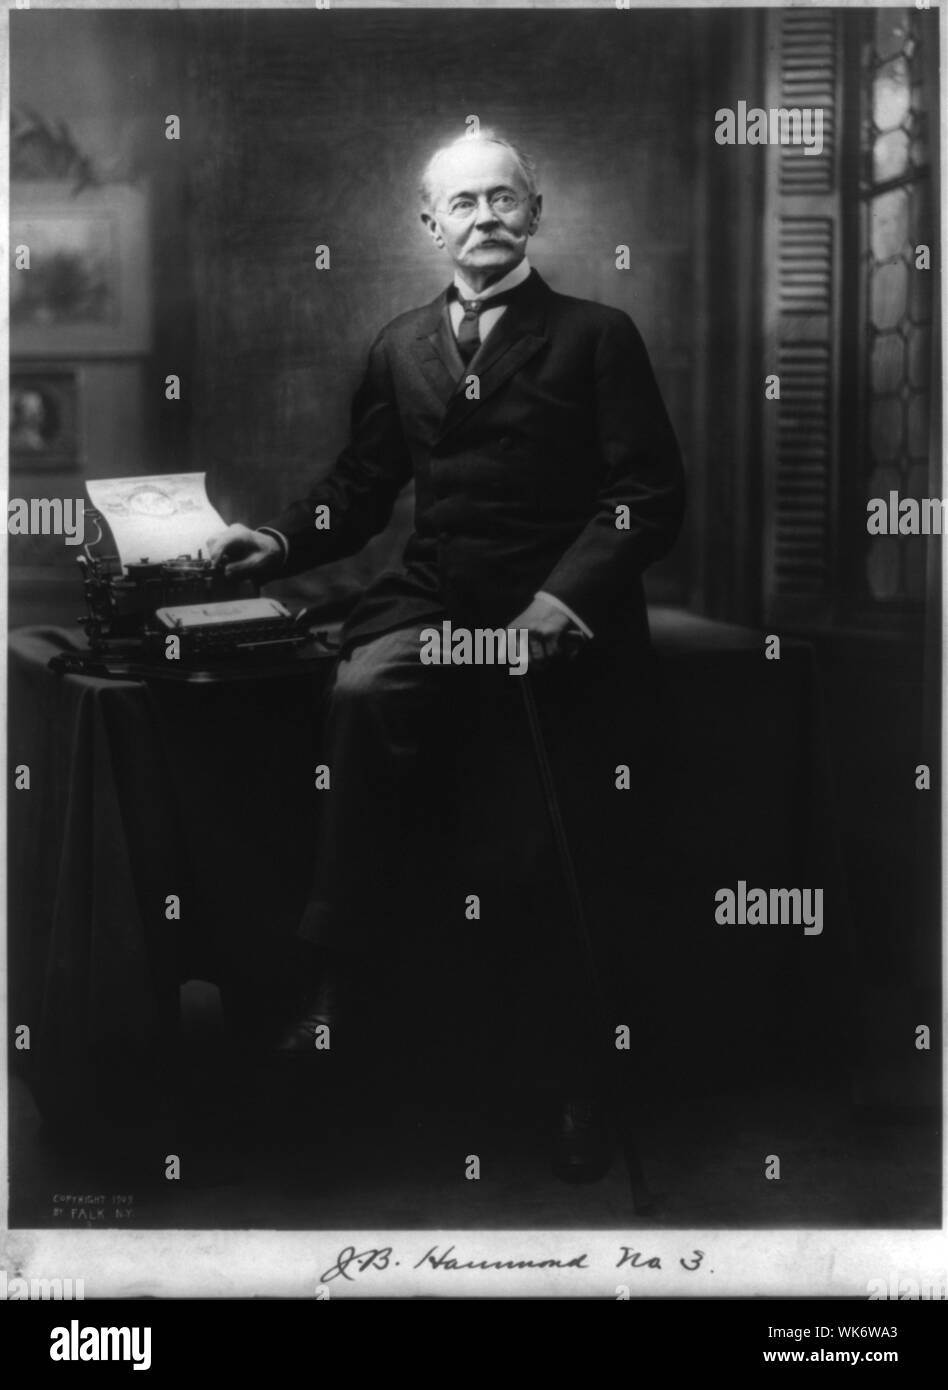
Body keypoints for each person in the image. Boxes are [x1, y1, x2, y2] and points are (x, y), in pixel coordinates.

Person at [208, 130, 684, 1181]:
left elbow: (647, 496)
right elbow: (361, 485)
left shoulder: (597, 335)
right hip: (436, 606)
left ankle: (580, 1083)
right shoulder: (400, 344)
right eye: (462, 202)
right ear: (430, 224)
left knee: (559, 830)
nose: (485, 217)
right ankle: (334, 980)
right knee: (364, 685)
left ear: (537, 211)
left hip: (561, 612)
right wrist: (282, 540)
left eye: (504, 198)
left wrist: (562, 602)